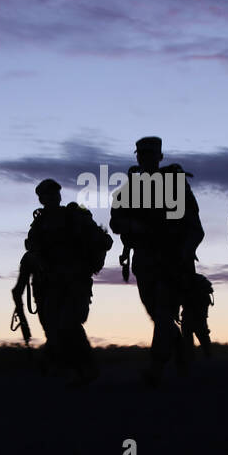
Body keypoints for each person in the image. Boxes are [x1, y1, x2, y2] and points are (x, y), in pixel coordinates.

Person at [109, 137, 204, 385]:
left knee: (163, 312)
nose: (146, 158)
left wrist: (184, 253)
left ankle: (156, 366)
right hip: (145, 262)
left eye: (151, 154)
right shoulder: (129, 190)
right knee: (156, 313)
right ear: (137, 157)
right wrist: (131, 224)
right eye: (142, 154)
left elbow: (195, 228)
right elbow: (115, 221)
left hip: (172, 261)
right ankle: (181, 350)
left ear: (159, 157)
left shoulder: (175, 187)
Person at [21, 178, 112, 384]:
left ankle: (84, 368)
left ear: (59, 196)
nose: (52, 198)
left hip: (76, 282)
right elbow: (32, 250)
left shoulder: (74, 216)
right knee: (55, 329)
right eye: (47, 195)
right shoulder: (39, 223)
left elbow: (104, 240)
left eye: (54, 194)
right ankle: (73, 369)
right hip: (52, 284)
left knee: (68, 324)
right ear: (41, 199)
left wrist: (88, 254)